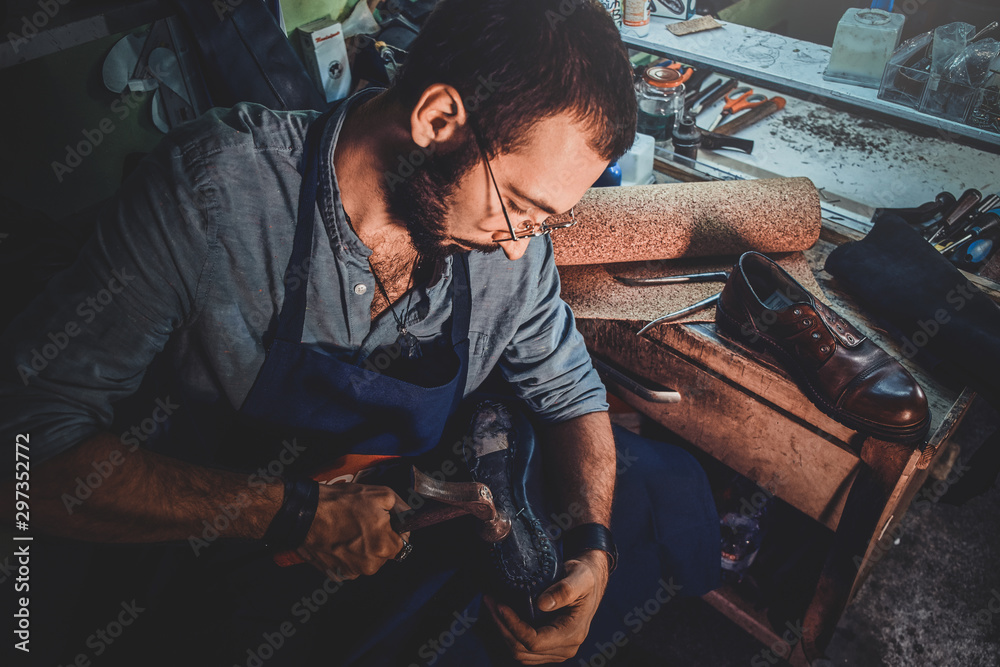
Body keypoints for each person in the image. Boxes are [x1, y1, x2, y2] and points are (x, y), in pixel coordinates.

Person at [1, 1, 719, 664]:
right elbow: (25, 454)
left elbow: (570, 393)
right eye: (519, 207)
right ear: (438, 119)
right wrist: (289, 512)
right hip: (231, 545)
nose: (516, 249)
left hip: (399, 531)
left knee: (659, 490)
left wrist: (593, 546)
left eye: (544, 222)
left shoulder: (512, 247)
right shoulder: (213, 195)